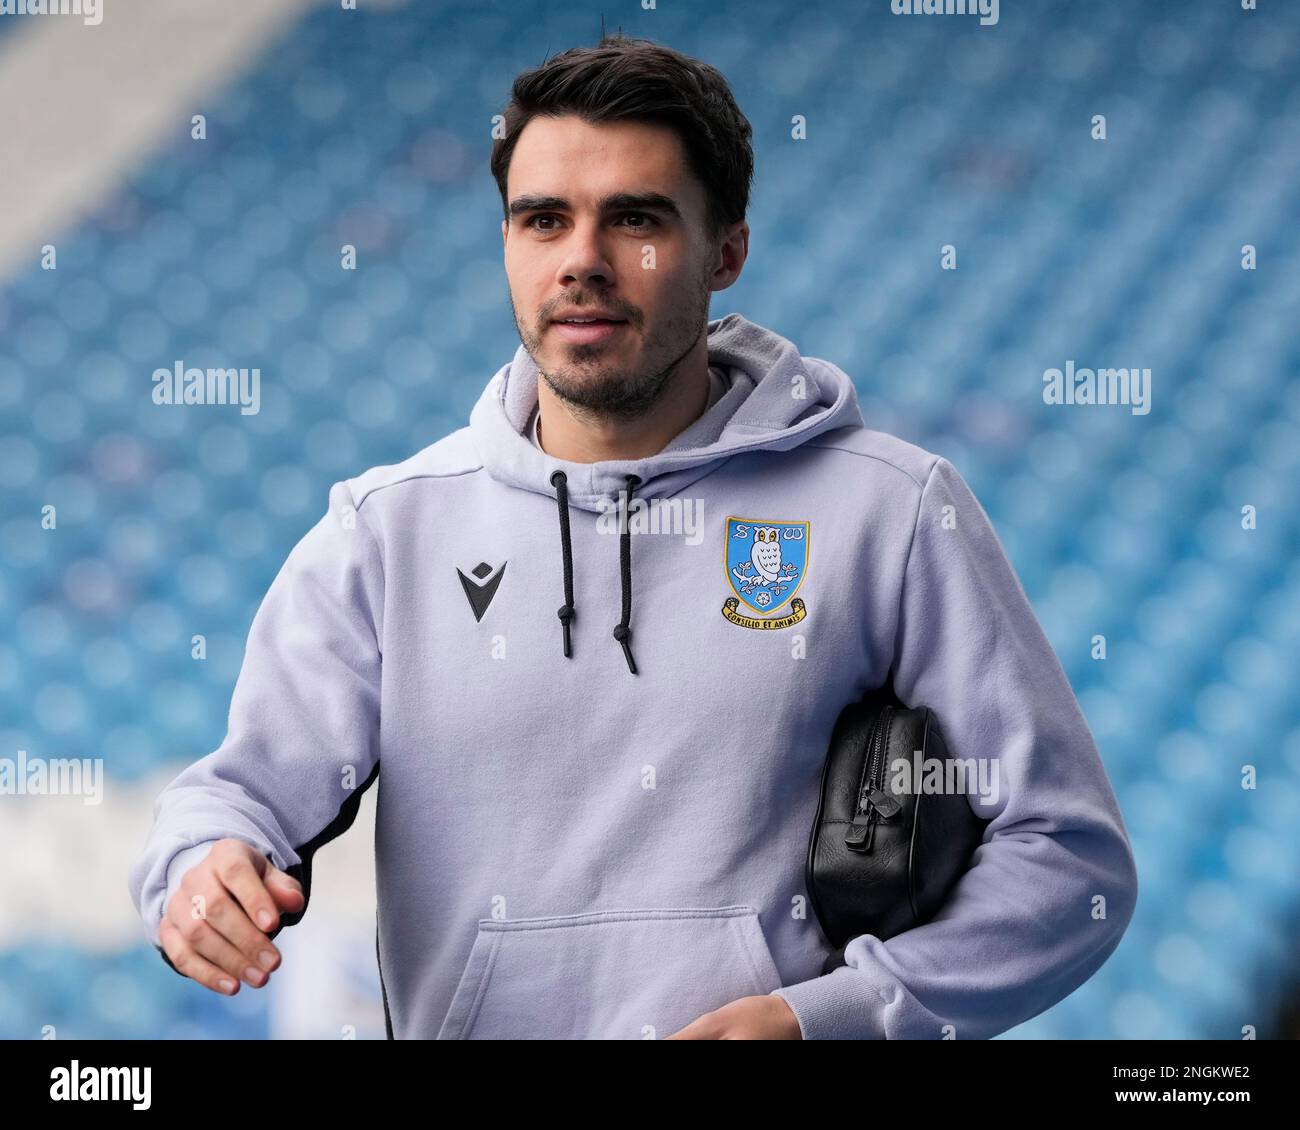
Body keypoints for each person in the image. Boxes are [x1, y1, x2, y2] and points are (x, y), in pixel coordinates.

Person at [128, 34, 1137, 1040]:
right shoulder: (385, 531)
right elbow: (234, 798)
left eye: (637, 220)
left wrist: (825, 1018)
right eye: (542, 221)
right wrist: (203, 866)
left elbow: (1068, 854)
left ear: (727, 249)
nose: (581, 261)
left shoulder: (895, 511)